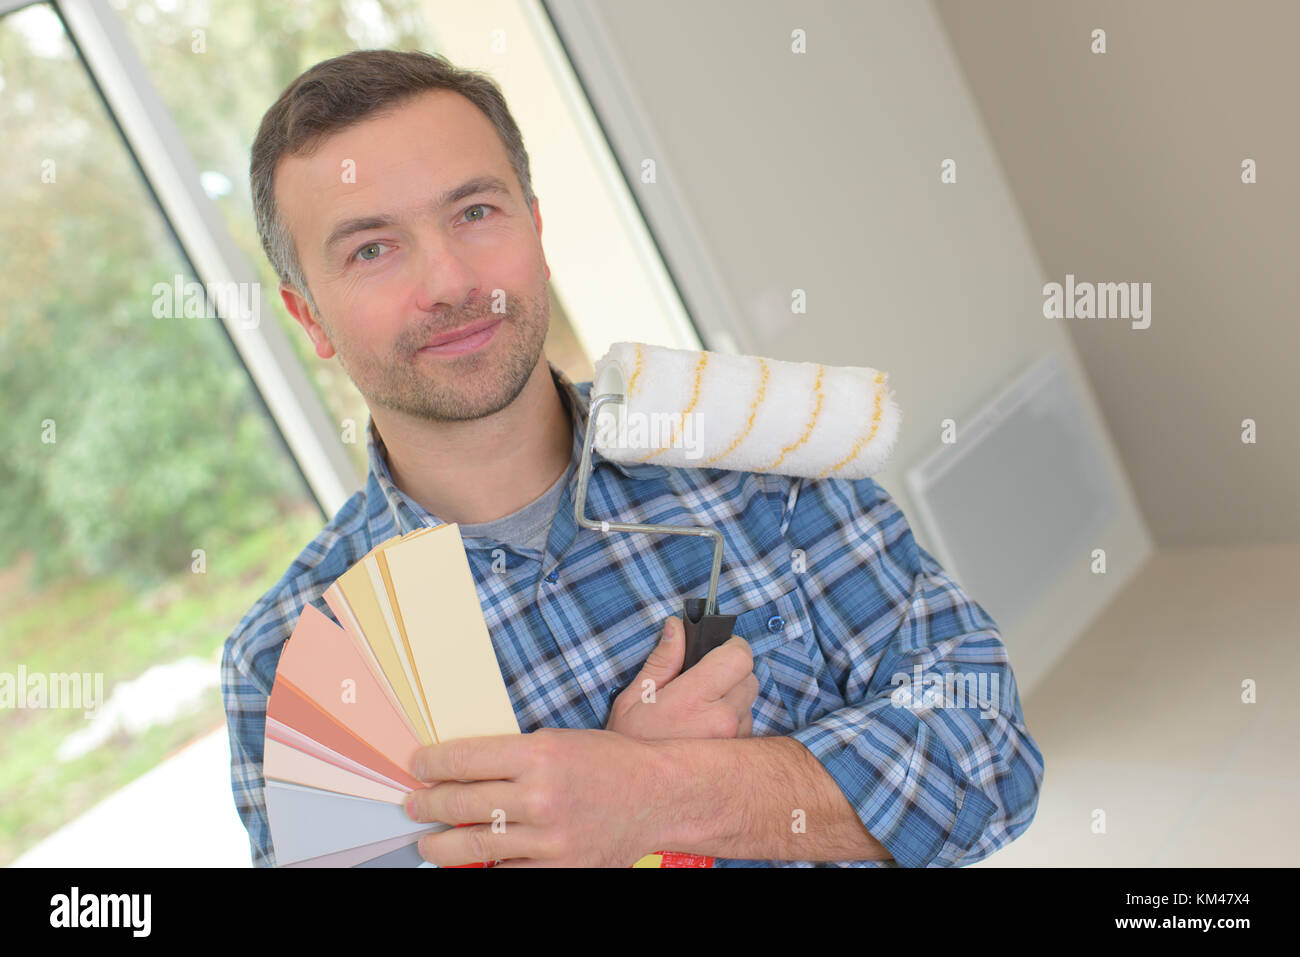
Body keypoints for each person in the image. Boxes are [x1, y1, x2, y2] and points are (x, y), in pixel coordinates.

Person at [224, 49, 1043, 868]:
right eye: (372, 250)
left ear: (536, 232)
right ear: (310, 317)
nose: (447, 279)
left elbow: (989, 751)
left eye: (473, 211)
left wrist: (664, 794)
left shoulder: (755, 453)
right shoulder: (294, 659)